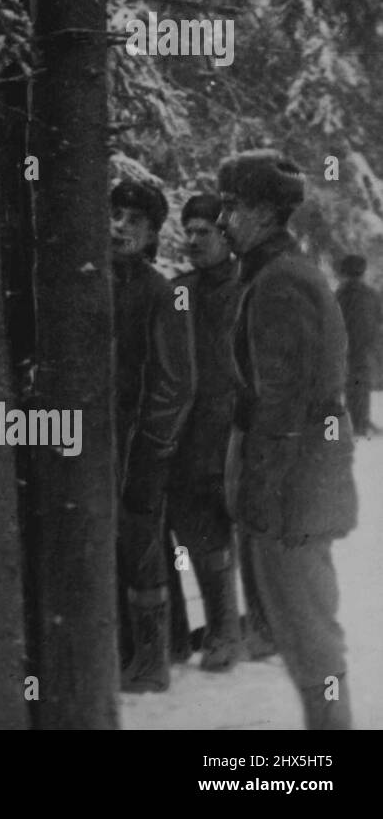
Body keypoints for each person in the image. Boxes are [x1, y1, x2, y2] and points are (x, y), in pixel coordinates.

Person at [217, 149, 357, 729]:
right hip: (296, 487)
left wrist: (261, 498)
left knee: (308, 633)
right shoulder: (277, 274)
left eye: (230, 207)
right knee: (303, 630)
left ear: (263, 212)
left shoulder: (279, 283)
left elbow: (282, 406)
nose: (223, 220)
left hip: (294, 494)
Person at [110, 179, 196, 693]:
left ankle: (151, 658)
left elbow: (177, 382)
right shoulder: (82, 280)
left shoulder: (160, 292)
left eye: (134, 221)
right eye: (115, 214)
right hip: (88, 442)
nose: (120, 227)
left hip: (139, 445)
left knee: (140, 543)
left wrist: (153, 446)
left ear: (151, 235)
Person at [165, 194, 243, 671]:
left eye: (204, 232)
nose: (193, 240)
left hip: (238, 431)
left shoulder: (251, 288)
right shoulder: (179, 291)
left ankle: (246, 628)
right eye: (188, 232)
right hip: (190, 435)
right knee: (198, 533)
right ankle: (222, 628)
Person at [334, 254, 382, 437]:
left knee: (348, 385)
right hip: (364, 347)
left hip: (345, 348)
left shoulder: (340, 295)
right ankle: (360, 422)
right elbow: (378, 320)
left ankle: (351, 423)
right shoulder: (371, 295)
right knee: (361, 385)